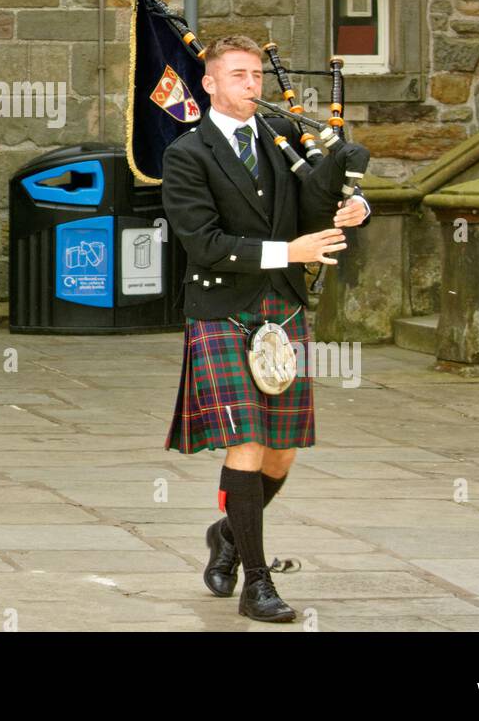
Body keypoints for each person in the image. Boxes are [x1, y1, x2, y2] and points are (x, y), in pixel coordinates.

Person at [161, 34, 371, 624]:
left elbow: (313, 205)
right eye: (237, 75)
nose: (251, 85)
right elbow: (204, 244)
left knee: (282, 453)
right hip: (221, 309)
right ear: (209, 82)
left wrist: (352, 207)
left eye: (256, 75)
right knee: (246, 443)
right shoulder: (187, 154)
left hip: (280, 308)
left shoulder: (280, 145)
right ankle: (258, 584)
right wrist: (290, 250)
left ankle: (226, 535)